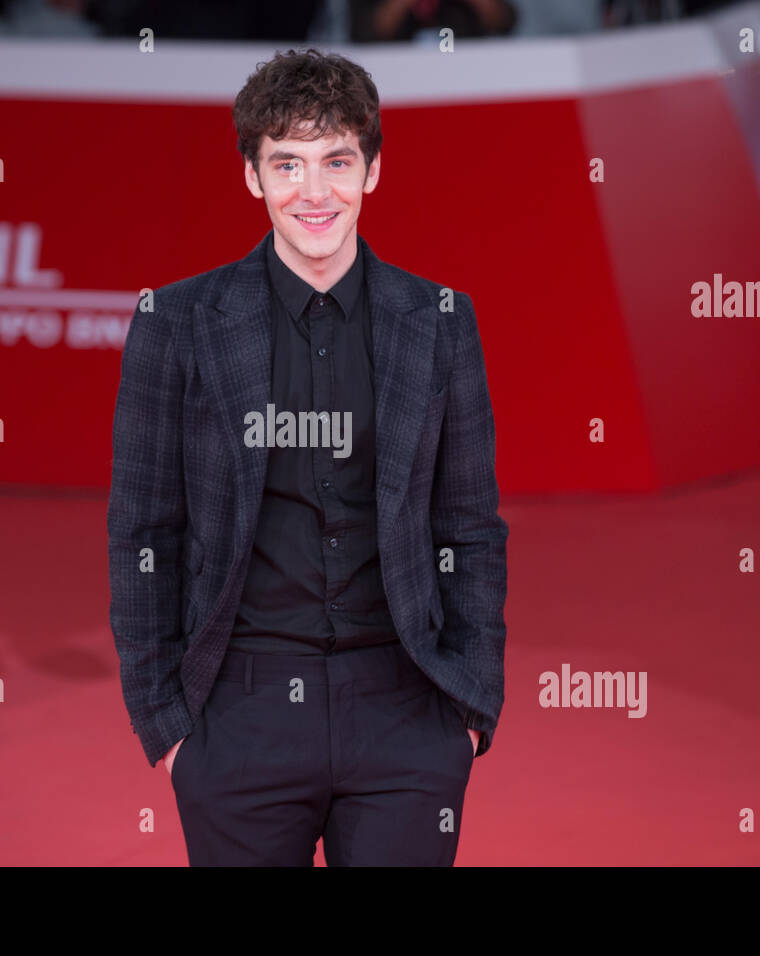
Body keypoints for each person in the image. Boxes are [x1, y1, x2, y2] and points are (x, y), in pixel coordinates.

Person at [107, 47, 508, 866]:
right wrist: (167, 726)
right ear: (253, 177)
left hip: (406, 713)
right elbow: (143, 532)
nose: (314, 192)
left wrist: (467, 711)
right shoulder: (175, 324)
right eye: (286, 162)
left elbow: (469, 527)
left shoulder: (439, 322)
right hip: (238, 716)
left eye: (336, 161)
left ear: (373, 170)